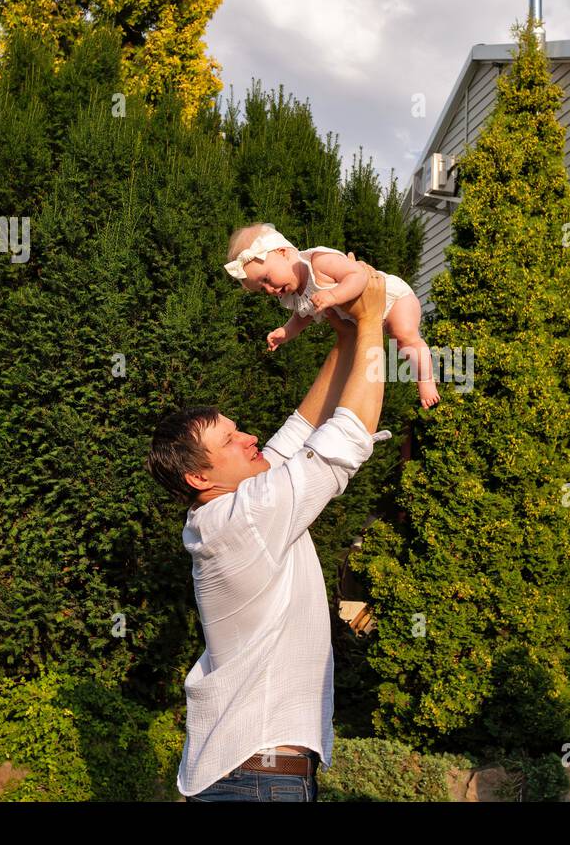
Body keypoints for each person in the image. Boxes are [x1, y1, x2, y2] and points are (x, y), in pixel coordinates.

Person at [145, 266, 390, 800]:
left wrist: (345, 339)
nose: (251, 437)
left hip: (251, 775)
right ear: (199, 476)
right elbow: (344, 439)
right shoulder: (247, 517)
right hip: (259, 780)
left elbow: (303, 428)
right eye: (233, 440)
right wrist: (371, 323)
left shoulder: (232, 509)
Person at [225, 222, 441, 408]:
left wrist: (334, 295)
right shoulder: (294, 295)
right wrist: (285, 332)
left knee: (405, 336)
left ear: (283, 252)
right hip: (374, 316)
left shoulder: (317, 262)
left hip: (393, 297)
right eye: (262, 289)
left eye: (266, 278)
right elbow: (302, 317)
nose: (270, 289)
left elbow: (358, 275)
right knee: (387, 349)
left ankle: (426, 379)